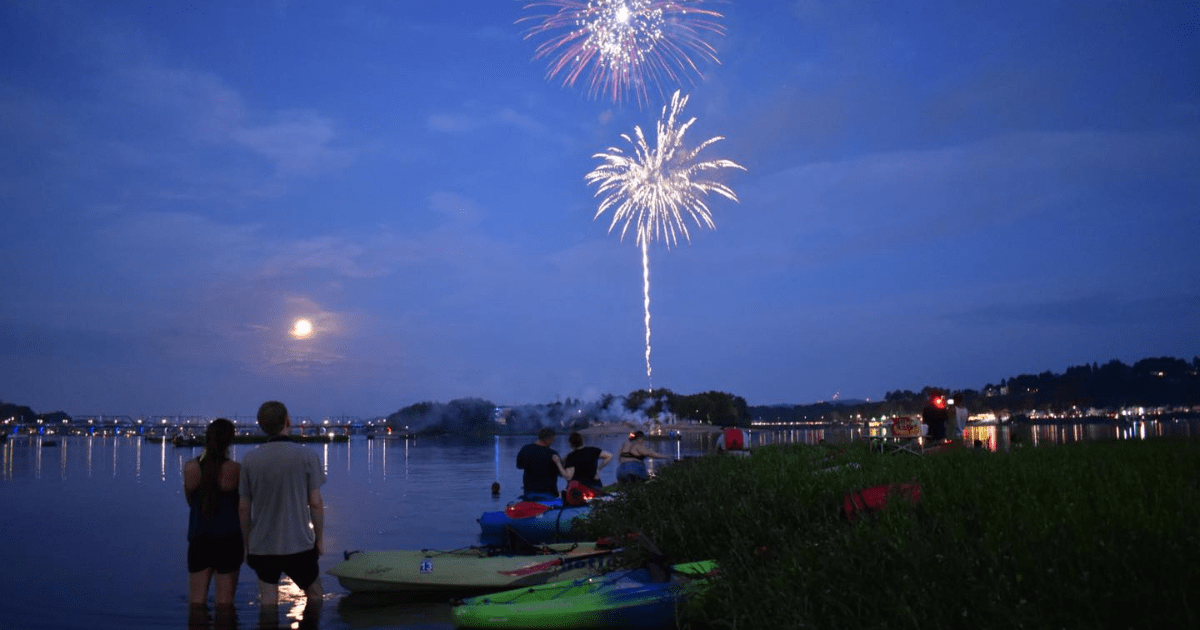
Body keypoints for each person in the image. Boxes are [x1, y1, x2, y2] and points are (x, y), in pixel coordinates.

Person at [238, 401, 326, 609]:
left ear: (262, 426)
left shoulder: (250, 460)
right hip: (299, 544)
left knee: (268, 600)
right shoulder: (307, 456)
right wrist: (319, 539)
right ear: (287, 421)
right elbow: (315, 503)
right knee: (315, 594)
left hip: (262, 546)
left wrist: (246, 545)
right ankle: (312, 622)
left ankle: (267, 622)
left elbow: (243, 508)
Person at [183, 418, 243, 608]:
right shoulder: (236, 470)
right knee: (225, 604)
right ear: (230, 441)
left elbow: (190, 501)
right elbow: (242, 506)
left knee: (196, 602)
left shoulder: (191, 468)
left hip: (199, 535)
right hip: (229, 537)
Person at [515, 427, 570, 501]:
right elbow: (561, 473)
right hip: (549, 494)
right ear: (548, 439)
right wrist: (562, 462)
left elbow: (519, 466)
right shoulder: (552, 454)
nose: (552, 442)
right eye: (552, 440)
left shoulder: (525, 449)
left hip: (529, 493)